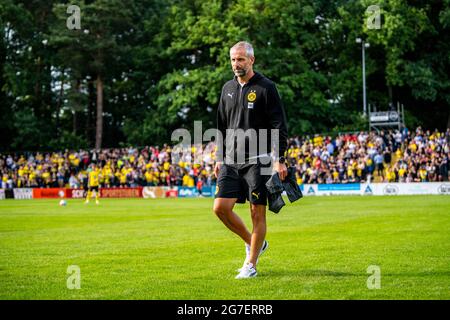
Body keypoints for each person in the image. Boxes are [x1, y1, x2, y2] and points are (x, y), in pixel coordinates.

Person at [213, 41, 288, 279]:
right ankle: (255, 242)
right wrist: (218, 157)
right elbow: (222, 126)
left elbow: (279, 124)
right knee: (220, 208)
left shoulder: (267, 87)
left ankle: (251, 265)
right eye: (233, 59)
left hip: (259, 159)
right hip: (231, 161)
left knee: (257, 213)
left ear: (251, 60)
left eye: (241, 59)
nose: (236, 64)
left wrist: (280, 158)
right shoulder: (227, 88)